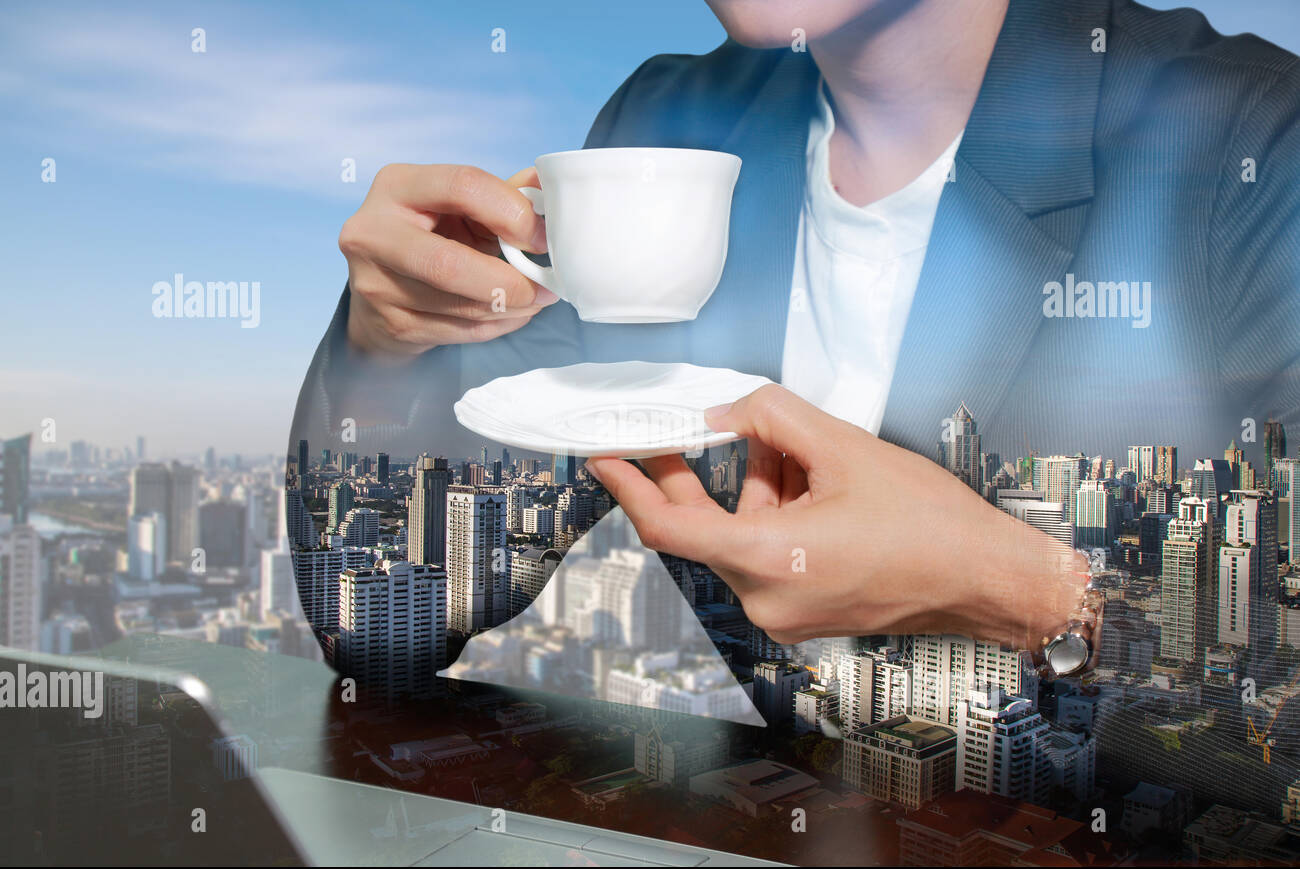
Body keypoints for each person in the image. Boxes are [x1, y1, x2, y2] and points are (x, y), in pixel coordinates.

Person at [291, 0, 1299, 662]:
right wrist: (387, 351)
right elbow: (376, 617)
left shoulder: (1247, 146)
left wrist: (1025, 593)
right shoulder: (666, 129)